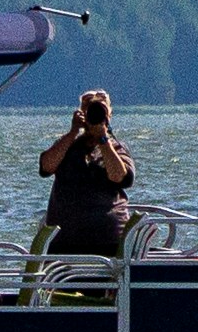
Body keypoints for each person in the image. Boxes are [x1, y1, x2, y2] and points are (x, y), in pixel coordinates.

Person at [38, 90, 136, 258]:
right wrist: (73, 132)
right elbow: (46, 167)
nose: (95, 115)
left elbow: (119, 176)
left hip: (108, 240)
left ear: (109, 114)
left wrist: (103, 139)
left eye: (100, 110)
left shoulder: (117, 148)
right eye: (90, 109)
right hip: (65, 239)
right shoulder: (67, 145)